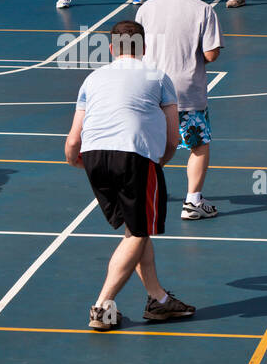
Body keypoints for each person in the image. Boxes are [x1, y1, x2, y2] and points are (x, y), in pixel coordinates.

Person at [65, 19, 194, 331]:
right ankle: (102, 306)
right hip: (134, 156)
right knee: (138, 233)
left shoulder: (92, 79)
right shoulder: (159, 77)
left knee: (136, 231)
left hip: (94, 158)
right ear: (144, 48)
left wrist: (81, 163)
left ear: (111, 48)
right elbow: (173, 138)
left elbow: (72, 142)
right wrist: (157, 163)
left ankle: (158, 300)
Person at [136, 0, 223, 220]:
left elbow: (135, 50)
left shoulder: (146, 8)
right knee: (198, 145)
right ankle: (193, 201)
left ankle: (138, 189)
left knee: (147, 144)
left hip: (149, 91)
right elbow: (210, 54)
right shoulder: (204, 10)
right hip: (186, 93)